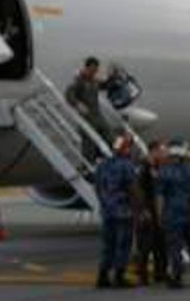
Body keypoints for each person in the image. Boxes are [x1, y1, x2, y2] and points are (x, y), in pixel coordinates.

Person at [155, 140, 190, 287]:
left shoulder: (164, 171)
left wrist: (160, 215)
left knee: (175, 246)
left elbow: (160, 196)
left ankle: (177, 276)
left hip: (173, 214)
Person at [92, 137, 140, 288]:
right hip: (123, 211)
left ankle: (103, 275)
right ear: (125, 150)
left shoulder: (103, 165)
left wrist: (105, 202)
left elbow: (98, 187)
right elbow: (132, 189)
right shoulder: (126, 165)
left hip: (107, 211)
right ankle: (119, 276)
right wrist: (138, 208)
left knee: (108, 244)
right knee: (123, 244)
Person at [132, 141, 168, 286]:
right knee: (145, 246)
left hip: (158, 212)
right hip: (147, 212)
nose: (165, 154)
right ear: (154, 151)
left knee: (161, 244)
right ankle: (143, 276)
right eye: (162, 151)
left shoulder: (159, 167)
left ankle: (161, 273)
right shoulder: (143, 167)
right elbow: (137, 190)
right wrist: (142, 209)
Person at [65, 56, 105, 133]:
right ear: (86, 68)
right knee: (88, 140)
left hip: (97, 115)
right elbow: (69, 94)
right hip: (86, 117)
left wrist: (113, 77)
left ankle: (117, 144)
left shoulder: (94, 82)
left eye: (96, 70)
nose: (94, 72)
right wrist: (77, 104)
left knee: (108, 134)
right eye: (92, 70)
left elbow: (104, 85)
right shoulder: (79, 81)